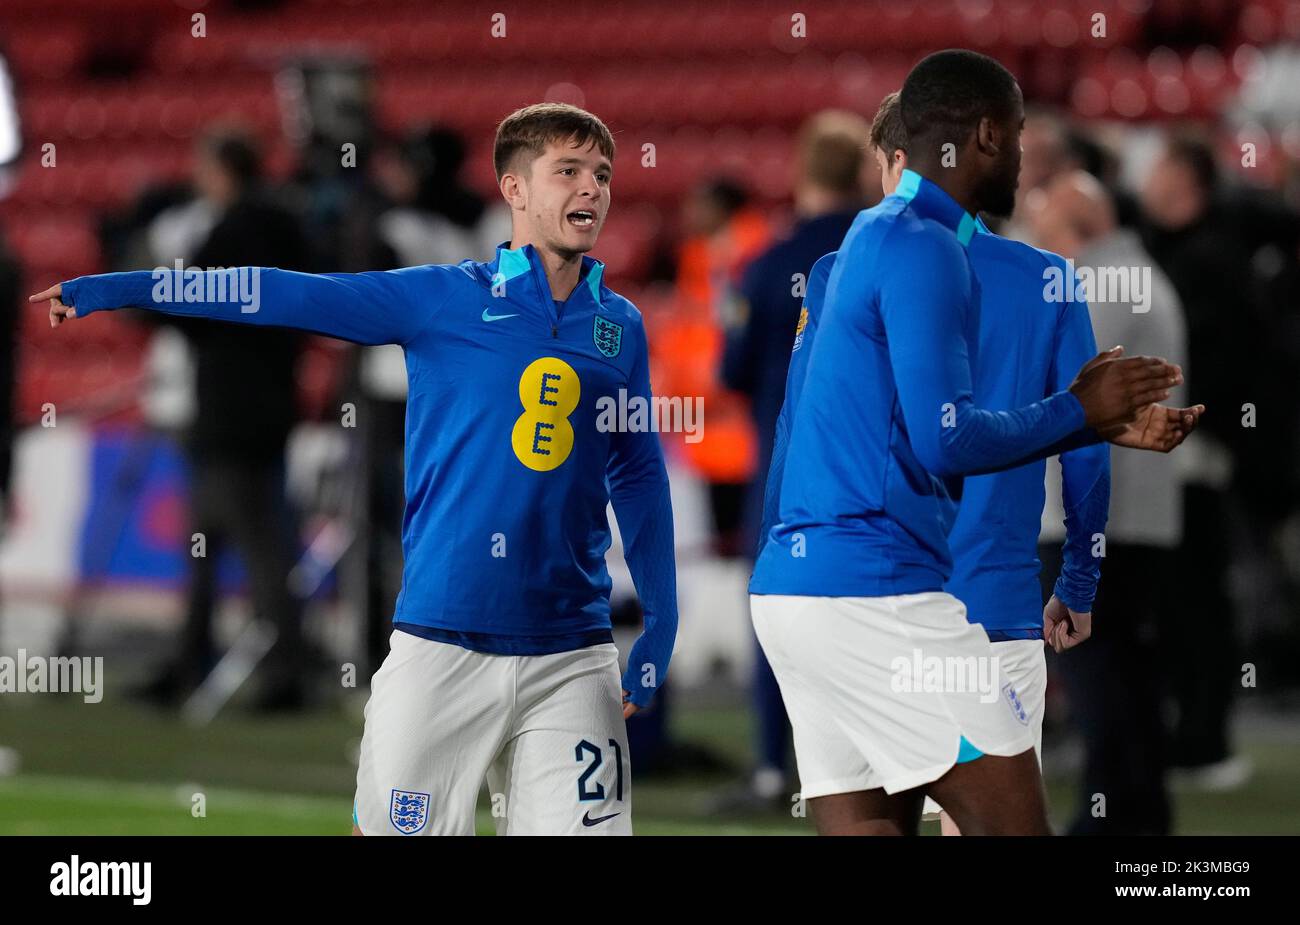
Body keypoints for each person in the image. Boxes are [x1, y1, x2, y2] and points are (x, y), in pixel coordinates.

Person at [35, 103, 678, 837]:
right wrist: (117, 288)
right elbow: (279, 292)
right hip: (444, 640)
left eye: (601, 174)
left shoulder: (619, 326)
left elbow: (638, 473)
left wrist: (661, 620)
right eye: (567, 171)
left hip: (575, 651)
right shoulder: (442, 296)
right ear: (514, 189)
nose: (591, 190)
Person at [748, 50, 1200, 836]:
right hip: (924, 597)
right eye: (1019, 137)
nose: (1025, 159)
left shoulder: (848, 253)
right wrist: (1080, 431)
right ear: (984, 137)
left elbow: (793, 436)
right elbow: (955, 440)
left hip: (801, 591)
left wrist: (779, 565)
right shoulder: (988, 264)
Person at [871, 93, 1111, 836]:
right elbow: (1089, 441)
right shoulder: (1050, 282)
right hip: (996, 607)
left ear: (899, 165)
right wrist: (1077, 579)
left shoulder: (854, 271)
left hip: (878, 605)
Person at [1029, 169, 1190, 832]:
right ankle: (1141, 814)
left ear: (1078, 232)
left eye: (1047, 239)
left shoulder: (1100, 284)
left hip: (1094, 514)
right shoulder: (1141, 275)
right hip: (1136, 513)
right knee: (1129, 669)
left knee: (1095, 670)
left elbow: (1070, 390)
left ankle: (1107, 816)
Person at [717, 110, 869, 809]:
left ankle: (777, 767)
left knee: (779, 616)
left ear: (804, 171)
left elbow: (734, 370)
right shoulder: (885, 251)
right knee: (871, 616)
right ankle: (869, 769)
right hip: (876, 471)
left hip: (784, 473)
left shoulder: (767, 264)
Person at [131, 128, 311, 711]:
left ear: (222, 171)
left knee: (247, 543)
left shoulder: (232, 230)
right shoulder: (287, 225)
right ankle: (201, 658)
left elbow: (185, 307)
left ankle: (276, 669)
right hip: (271, 403)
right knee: (240, 538)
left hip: (228, 409)